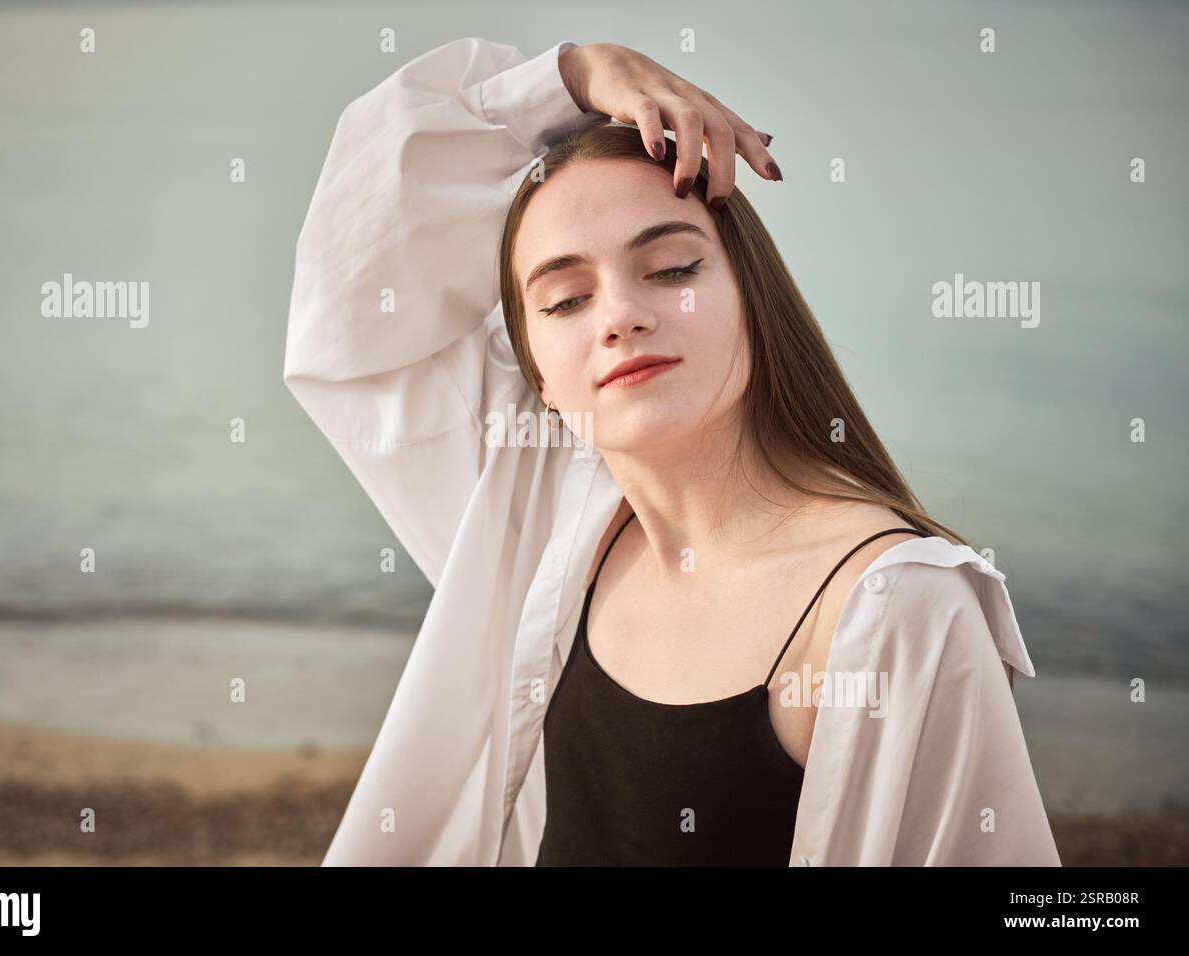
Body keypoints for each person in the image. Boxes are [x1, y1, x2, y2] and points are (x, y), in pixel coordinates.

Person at [284, 37, 1060, 866]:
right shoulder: (550, 522)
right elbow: (353, 283)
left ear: (752, 298)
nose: (619, 315)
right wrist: (572, 75)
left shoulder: (888, 609)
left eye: (672, 267)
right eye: (567, 299)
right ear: (539, 378)